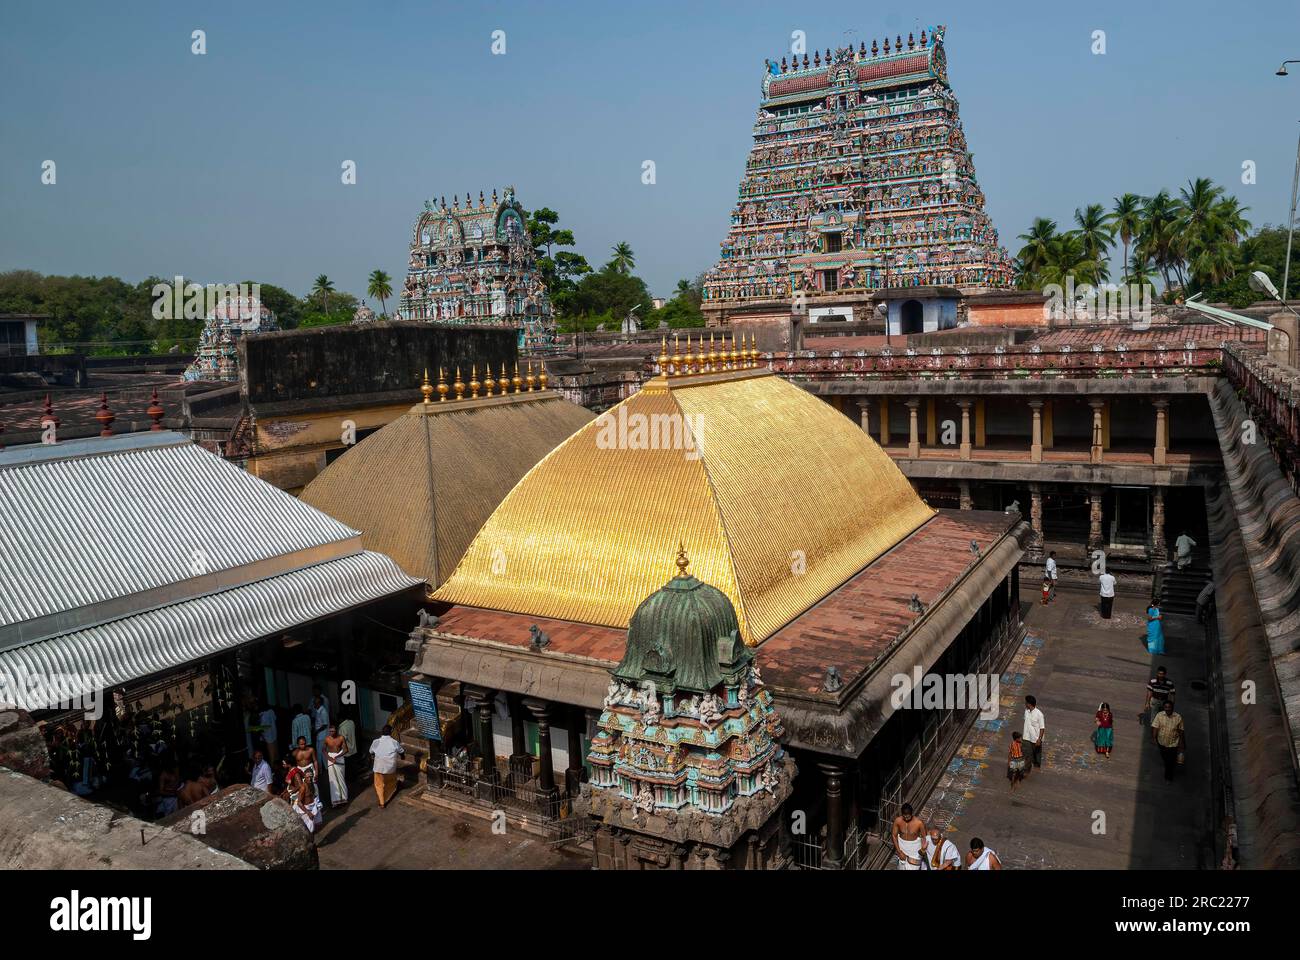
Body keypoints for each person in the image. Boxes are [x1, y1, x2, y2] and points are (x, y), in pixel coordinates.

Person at [369, 724, 405, 809]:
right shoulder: (394, 742)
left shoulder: (376, 742)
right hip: (390, 769)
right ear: (391, 733)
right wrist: (403, 757)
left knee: (379, 785)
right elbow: (401, 751)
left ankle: (382, 802)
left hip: (378, 768)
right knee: (391, 783)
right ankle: (388, 796)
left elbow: (371, 751)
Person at [1150, 699, 1185, 781]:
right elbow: (1155, 727)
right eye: (1166, 707)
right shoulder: (1159, 715)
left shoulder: (1178, 717)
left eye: (1169, 707)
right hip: (1162, 743)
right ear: (1164, 708)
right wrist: (1154, 738)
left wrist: (1181, 742)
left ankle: (1168, 777)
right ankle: (1169, 766)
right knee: (1165, 758)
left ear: (1172, 708)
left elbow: (1181, 730)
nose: (1167, 709)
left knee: (1170, 762)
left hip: (1173, 744)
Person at [891, 803, 926, 869]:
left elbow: (924, 837)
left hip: (915, 850)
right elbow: (894, 835)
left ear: (911, 813)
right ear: (902, 814)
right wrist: (899, 851)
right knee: (901, 867)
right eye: (904, 816)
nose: (906, 818)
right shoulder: (898, 821)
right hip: (902, 847)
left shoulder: (919, 823)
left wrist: (923, 849)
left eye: (908, 816)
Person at [324, 725, 348, 807]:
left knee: (341, 778)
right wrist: (330, 758)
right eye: (330, 731)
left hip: (339, 758)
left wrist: (336, 757)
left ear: (336, 731)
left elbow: (345, 749)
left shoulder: (341, 738)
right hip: (331, 759)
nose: (332, 733)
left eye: (333, 731)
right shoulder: (327, 739)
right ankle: (335, 801)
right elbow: (323, 750)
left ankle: (343, 799)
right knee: (333, 780)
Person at [1021, 696, 1045, 773]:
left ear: (1029, 704)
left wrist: (1039, 739)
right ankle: (1027, 769)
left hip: (1035, 739)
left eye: (1026, 703)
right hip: (1026, 737)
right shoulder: (1026, 711)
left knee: (1036, 754)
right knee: (1027, 754)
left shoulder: (1039, 714)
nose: (1025, 704)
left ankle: (1036, 765)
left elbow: (1042, 728)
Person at [338, 708, 358, 784]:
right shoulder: (351, 722)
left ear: (341, 719)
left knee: (348, 768)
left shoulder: (342, 728)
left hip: (347, 751)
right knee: (353, 765)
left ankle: (350, 781)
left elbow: (341, 741)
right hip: (353, 748)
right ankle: (354, 779)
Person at [312, 693, 330, 775]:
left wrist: (317, 731)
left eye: (315, 703)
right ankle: (324, 769)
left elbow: (325, 724)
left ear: (319, 703)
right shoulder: (318, 711)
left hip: (322, 735)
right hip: (319, 735)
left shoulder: (323, 712)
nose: (313, 704)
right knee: (321, 753)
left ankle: (322, 769)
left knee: (320, 753)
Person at [256, 701, 279, 767]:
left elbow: (262, 728)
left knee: (272, 757)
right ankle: (278, 770)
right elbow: (275, 719)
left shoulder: (263, 715)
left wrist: (261, 735)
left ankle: (273, 772)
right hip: (274, 735)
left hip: (269, 738)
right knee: (276, 755)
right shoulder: (271, 711)